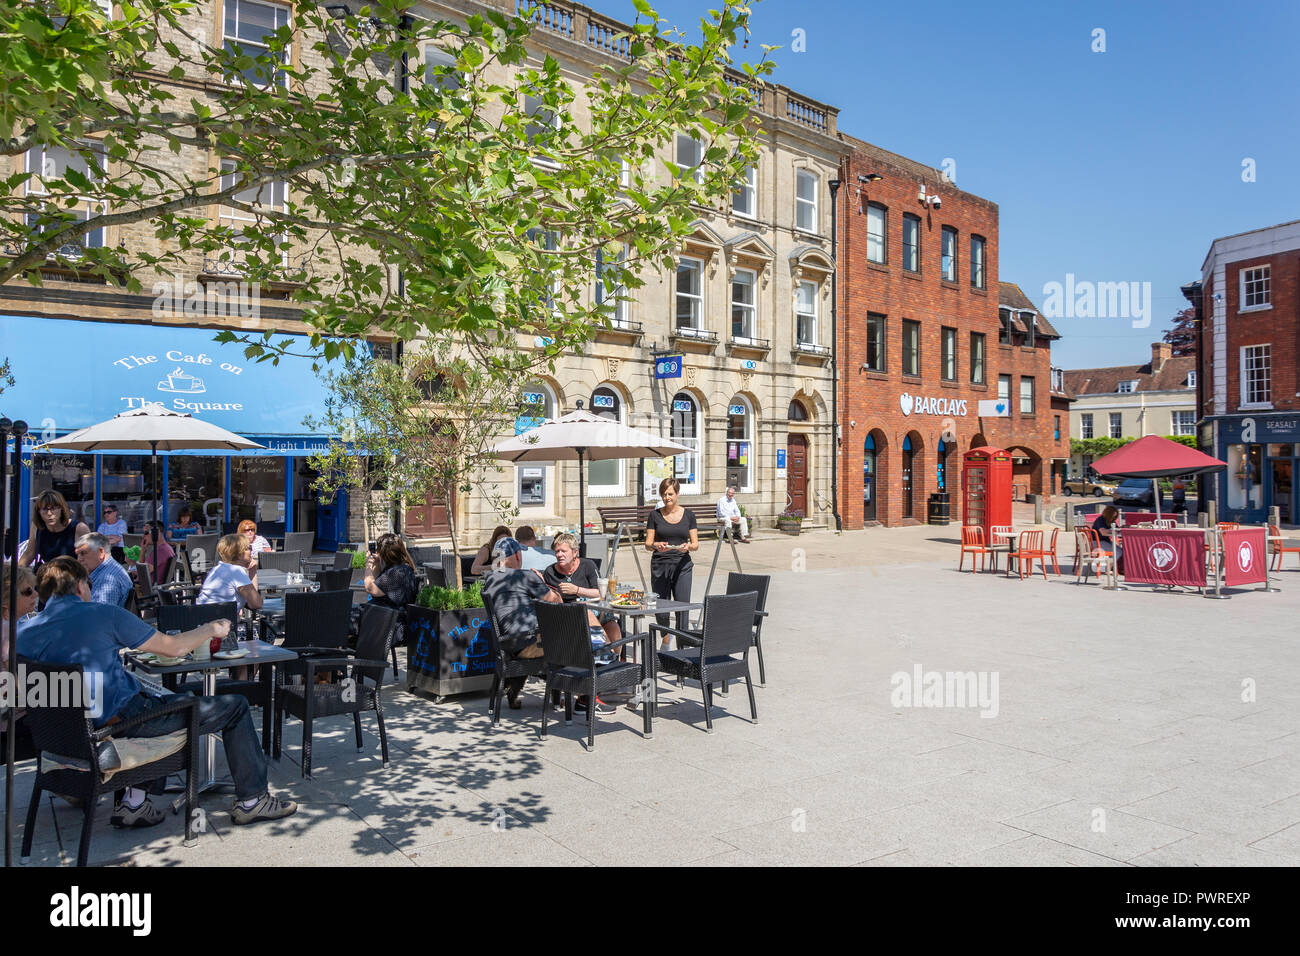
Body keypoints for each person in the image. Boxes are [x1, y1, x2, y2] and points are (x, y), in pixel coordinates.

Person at [17, 557, 297, 828]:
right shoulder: (104, 615)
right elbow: (173, 648)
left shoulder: (24, 633)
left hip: (68, 737)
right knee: (234, 705)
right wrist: (209, 628)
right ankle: (253, 800)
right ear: (80, 586)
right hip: (122, 725)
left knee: (153, 698)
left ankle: (135, 803)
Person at [481, 538, 563, 710]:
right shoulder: (525, 576)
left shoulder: (490, 579)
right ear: (518, 555)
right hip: (526, 643)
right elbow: (557, 602)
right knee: (569, 639)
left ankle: (513, 691)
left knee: (534, 634)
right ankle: (566, 695)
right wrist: (541, 581)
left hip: (506, 644)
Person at [645, 477, 698, 644]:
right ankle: (666, 639)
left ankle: (682, 644)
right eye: (663, 494)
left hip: (682, 564)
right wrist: (656, 545)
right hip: (660, 564)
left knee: (682, 606)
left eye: (670, 494)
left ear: (677, 494)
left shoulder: (689, 515)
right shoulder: (654, 515)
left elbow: (695, 544)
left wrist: (688, 547)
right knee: (661, 607)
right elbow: (648, 543)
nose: (666, 498)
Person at [543, 533, 622, 645]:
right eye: (557, 551)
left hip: (595, 609)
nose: (559, 555)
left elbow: (600, 593)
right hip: (568, 616)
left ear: (575, 552)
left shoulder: (588, 565)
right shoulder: (550, 572)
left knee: (613, 628)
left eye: (563, 551)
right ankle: (607, 654)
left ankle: (613, 658)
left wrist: (577, 590)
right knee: (587, 614)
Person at [19, 490, 91, 567]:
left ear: (61, 509)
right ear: (38, 512)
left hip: (72, 576)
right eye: (45, 509)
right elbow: (29, 553)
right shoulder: (37, 526)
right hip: (47, 575)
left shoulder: (79, 528)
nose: (49, 513)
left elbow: (88, 560)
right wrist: (16, 572)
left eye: (53, 509)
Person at [196, 533, 263, 613]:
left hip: (201, 618)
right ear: (238, 553)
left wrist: (252, 571)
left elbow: (251, 600)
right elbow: (256, 603)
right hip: (218, 621)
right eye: (248, 548)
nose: (251, 550)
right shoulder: (235, 571)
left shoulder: (217, 569)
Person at [74, 532, 136, 608]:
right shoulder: (106, 571)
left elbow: (101, 616)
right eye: (78, 555)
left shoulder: (108, 579)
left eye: (83, 553)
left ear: (101, 552)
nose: (79, 559)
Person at [363, 534, 418, 611]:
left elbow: (370, 588)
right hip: (384, 615)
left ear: (384, 553)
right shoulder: (401, 567)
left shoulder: (397, 572)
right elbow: (376, 581)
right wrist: (377, 563)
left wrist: (368, 566)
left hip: (391, 620)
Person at [2, 562, 37, 669]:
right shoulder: (6, 629)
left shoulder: (14, 623)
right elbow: (12, 675)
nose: (35, 594)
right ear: (6, 597)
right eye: (28, 591)